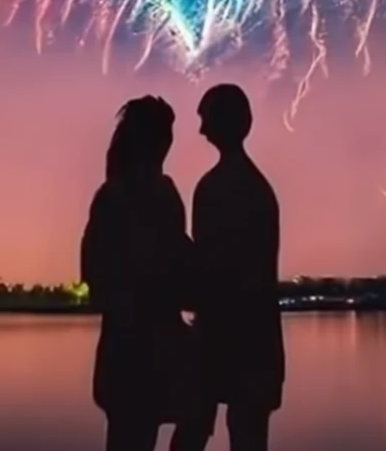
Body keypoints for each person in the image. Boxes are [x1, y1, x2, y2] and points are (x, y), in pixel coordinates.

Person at [80, 96, 196, 451]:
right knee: (189, 418)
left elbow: (92, 277)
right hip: (152, 349)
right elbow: (180, 270)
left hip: (121, 351)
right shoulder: (161, 195)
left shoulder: (109, 197)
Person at [175, 83, 285, 451]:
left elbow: (207, 267)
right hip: (257, 338)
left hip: (219, 336)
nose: (201, 130)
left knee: (193, 433)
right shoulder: (260, 189)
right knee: (248, 435)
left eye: (206, 120)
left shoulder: (213, 188)